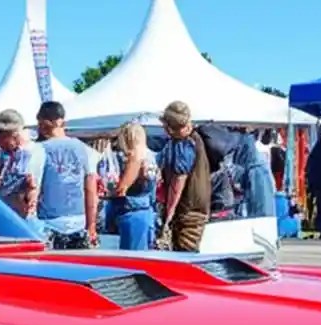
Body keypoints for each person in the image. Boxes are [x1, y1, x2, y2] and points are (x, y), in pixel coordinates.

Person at [33, 101, 98, 249]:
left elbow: (33, 187)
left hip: (48, 224)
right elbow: (91, 189)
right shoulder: (84, 149)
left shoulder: (39, 149)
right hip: (79, 221)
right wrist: (91, 225)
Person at [156, 101, 210, 252]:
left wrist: (169, 215)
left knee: (185, 256)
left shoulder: (185, 144)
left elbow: (179, 179)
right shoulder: (194, 139)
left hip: (189, 213)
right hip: (194, 211)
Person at [0, 109, 45, 233]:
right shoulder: (6, 154)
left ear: (14, 135)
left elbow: (30, 186)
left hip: (23, 220)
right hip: (5, 215)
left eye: (1, 136)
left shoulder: (30, 153)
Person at [107, 122, 158, 251]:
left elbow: (121, 190)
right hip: (148, 211)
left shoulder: (135, 158)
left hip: (132, 212)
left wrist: (109, 194)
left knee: (132, 260)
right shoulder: (152, 156)